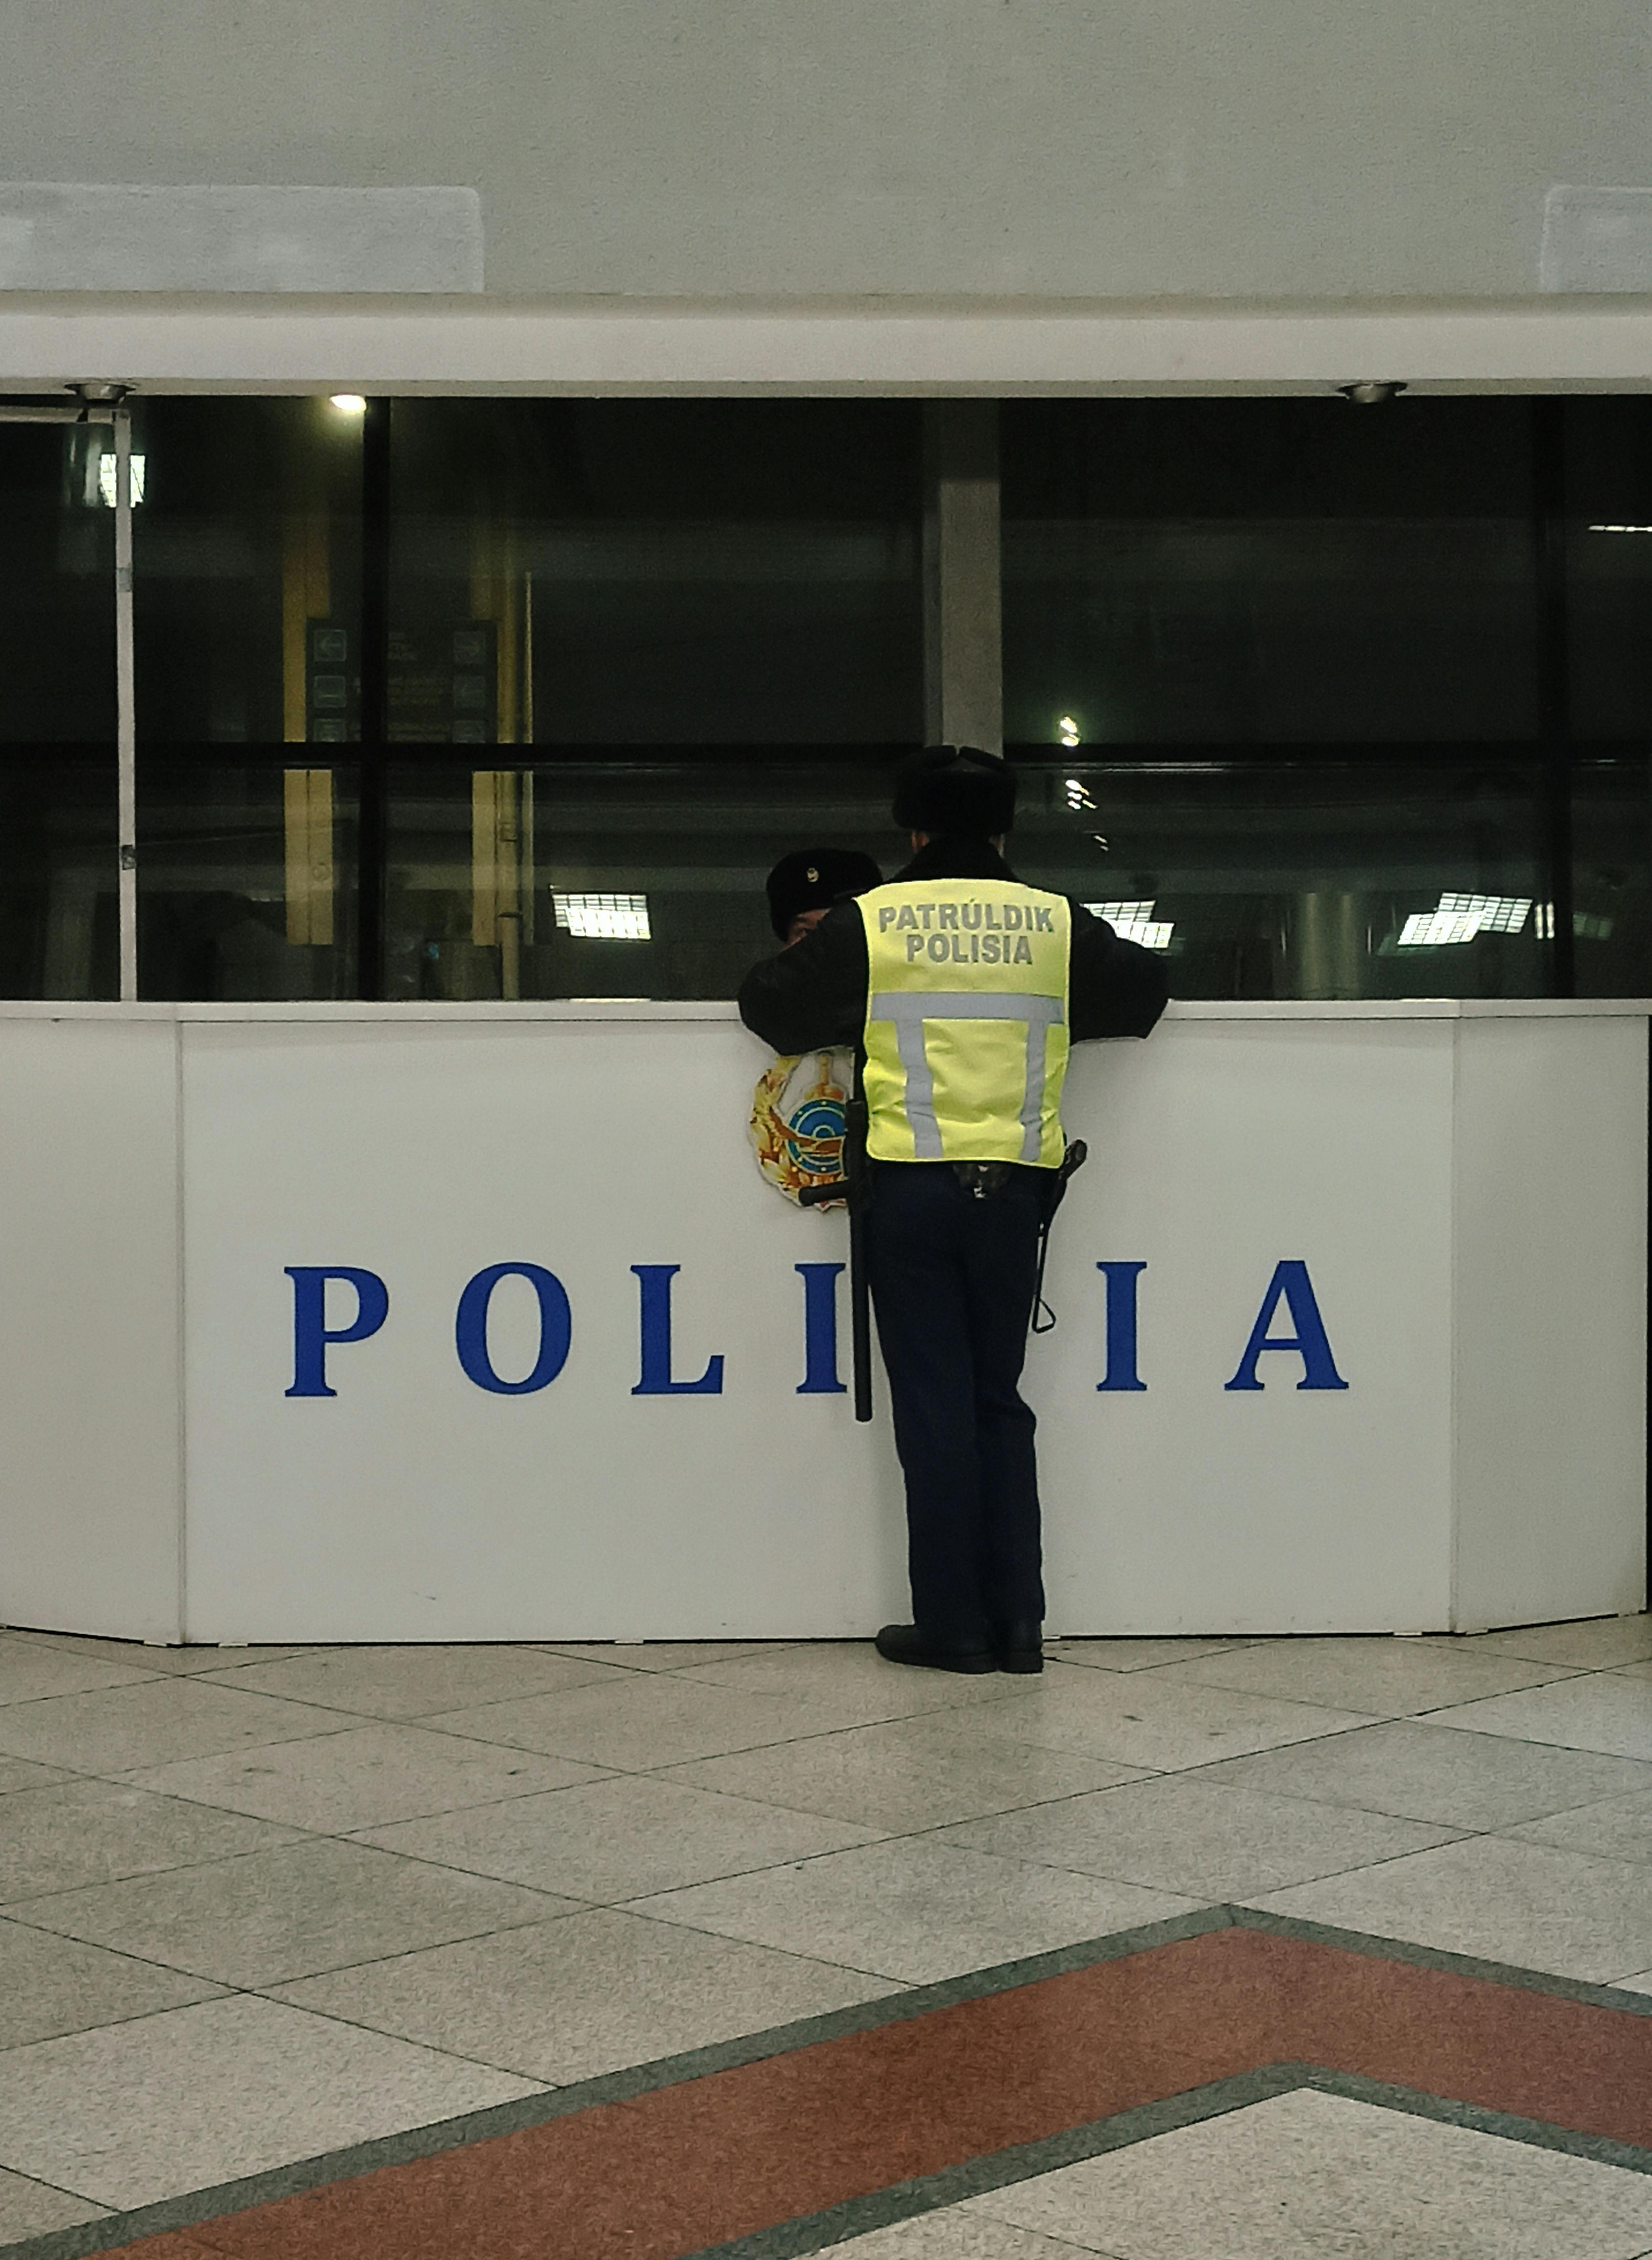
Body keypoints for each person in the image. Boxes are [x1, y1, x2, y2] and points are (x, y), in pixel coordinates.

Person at [738, 746, 1167, 1675]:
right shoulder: (1053, 921)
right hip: (1015, 1190)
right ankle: (1019, 1626)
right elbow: (1143, 995)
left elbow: (769, 1007)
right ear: (1005, 830)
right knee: (998, 1403)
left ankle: (954, 1626)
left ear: (913, 831)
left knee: (935, 1405)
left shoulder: (873, 919)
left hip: (910, 1190)